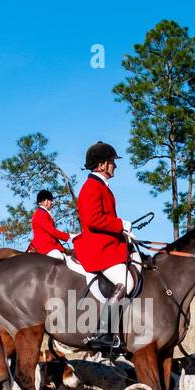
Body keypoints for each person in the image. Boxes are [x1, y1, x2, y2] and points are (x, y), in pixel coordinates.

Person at [72, 141, 137, 354]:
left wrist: (125, 235)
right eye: (112, 163)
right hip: (98, 249)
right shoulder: (92, 187)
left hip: (108, 244)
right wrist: (121, 225)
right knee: (125, 281)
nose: (115, 166)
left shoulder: (100, 186)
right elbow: (93, 219)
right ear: (101, 165)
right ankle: (103, 332)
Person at [27, 190, 69, 259]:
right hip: (45, 246)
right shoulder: (40, 214)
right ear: (45, 201)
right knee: (59, 257)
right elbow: (52, 231)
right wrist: (68, 237)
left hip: (49, 245)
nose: (52, 202)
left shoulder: (43, 213)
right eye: (50, 200)